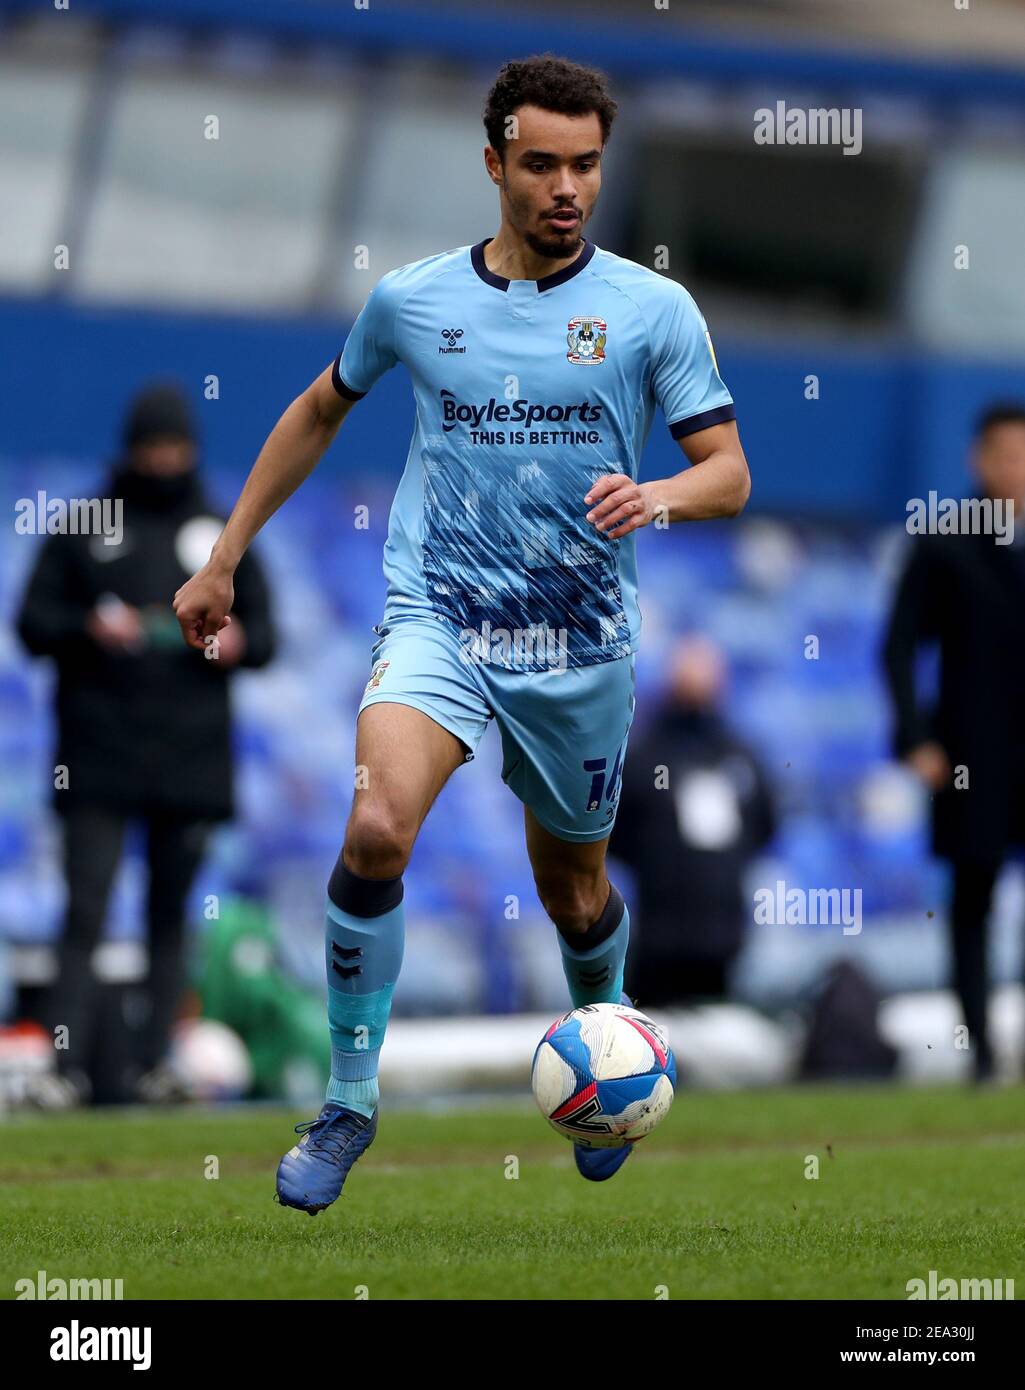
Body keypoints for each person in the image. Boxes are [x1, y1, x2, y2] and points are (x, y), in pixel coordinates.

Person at [173, 55, 750, 1210]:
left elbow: (727, 471)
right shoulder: (412, 301)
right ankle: (347, 1102)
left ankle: (610, 1055)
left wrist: (660, 497)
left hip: (578, 643)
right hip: (437, 616)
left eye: (584, 164)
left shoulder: (651, 311)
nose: (565, 188)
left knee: (574, 892)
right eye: (540, 163)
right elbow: (318, 408)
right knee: (378, 825)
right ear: (494, 164)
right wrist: (225, 553)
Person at [17, 382, 275, 1105]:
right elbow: (33, 623)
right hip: (95, 758)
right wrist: (87, 631)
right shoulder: (87, 521)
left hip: (189, 761)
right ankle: (62, 1069)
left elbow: (267, 635)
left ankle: (156, 1063)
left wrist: (238, 644)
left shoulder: (219, 531)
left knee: (171, 915)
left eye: (175, 449)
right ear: (131, 450)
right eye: (153, 449)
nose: (164, 461)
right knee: (86, 910)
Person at [883, 402, 1025, 1082]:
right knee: (973, 897)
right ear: (978, 460)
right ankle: (982, 1054)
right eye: (1004, 456)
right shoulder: (943, 540)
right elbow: (899, 645)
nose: (1015, 471)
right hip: (973, 753)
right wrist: (915, 737)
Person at [611, 636, 775, 1005]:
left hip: (723, 931)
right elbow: (616, 832)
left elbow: (765, 825)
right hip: (659, 933)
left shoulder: (739, 756)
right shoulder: (646, 756)